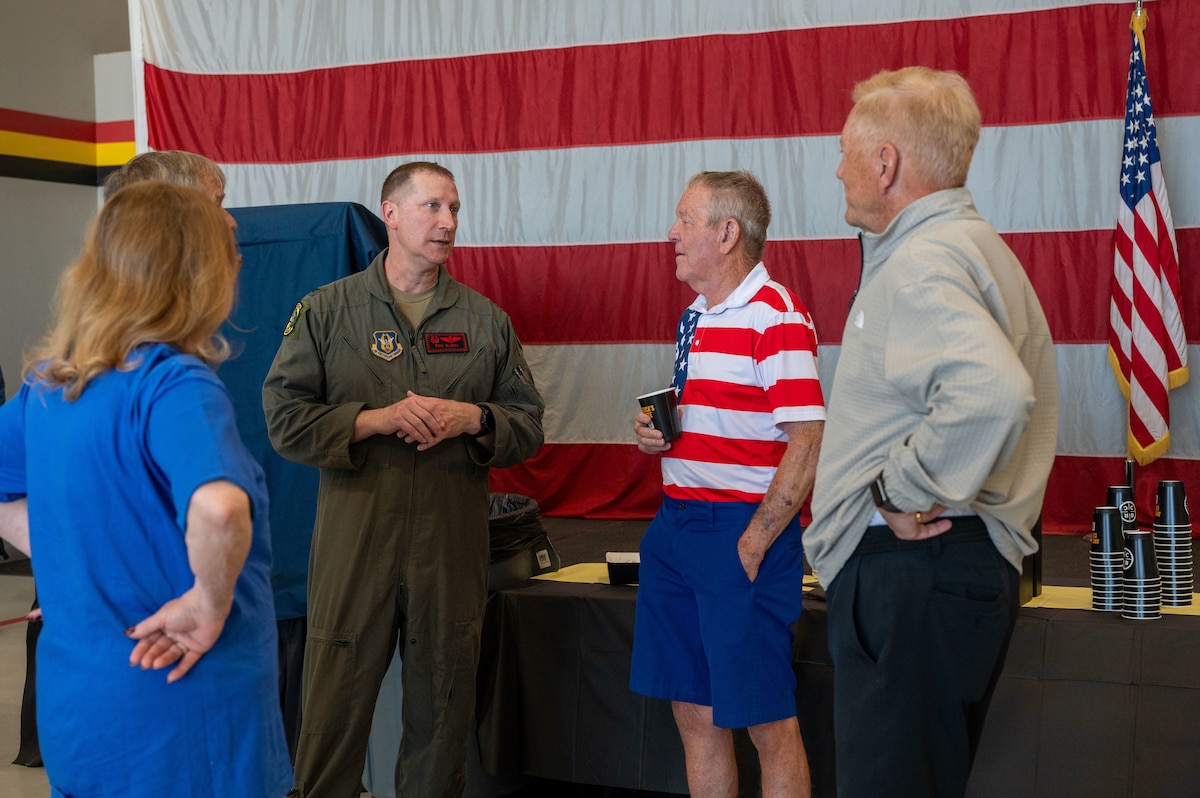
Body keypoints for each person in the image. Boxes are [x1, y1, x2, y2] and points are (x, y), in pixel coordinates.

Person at [805, 67, 1058, 798]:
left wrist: (897, 488)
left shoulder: (920, 263)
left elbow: (992, 392)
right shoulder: (973, 247)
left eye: (848, 150)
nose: (837, 166)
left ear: (886, 163)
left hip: (910, 574)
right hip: (947, 575)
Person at [263, 160, 545, 798]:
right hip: (355, 544)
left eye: (454, 210)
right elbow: (284, 420)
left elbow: (529, 426)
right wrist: (373, 420)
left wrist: (472, 418)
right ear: (390, 213)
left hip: (448, 548)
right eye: (432, 207)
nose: (447, 223)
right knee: (332, 713)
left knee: (442, 716)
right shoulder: (327, 312)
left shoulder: (484, 321)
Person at [0, 181, 292, 797]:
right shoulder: (173, 385)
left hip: (81, 714)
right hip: (185, 717)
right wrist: (207, 606)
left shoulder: (50, 387)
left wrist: (68, 561)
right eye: (228, 250)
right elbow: (218, 506)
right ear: (198, 272)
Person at [630, 170, 825, 798]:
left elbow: (807, 438)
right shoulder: (695, 315)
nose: (672, 232)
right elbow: (715, 416)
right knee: (693, 711)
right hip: (676, 529)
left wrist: (756, 540)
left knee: (766, 717)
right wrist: (660, 433)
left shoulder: (777, 317)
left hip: (739, 532)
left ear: (727, 232)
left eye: (685, 220)